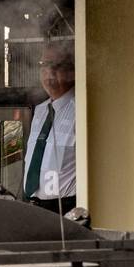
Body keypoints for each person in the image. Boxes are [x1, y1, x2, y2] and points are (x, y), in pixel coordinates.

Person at [23, 42, 76, 211]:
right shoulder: (39, 111)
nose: (49, 73)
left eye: (57, 66)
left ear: (72, 71)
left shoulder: (82, 111)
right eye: (44, 65)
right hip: (33, 205)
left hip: (65, 208)